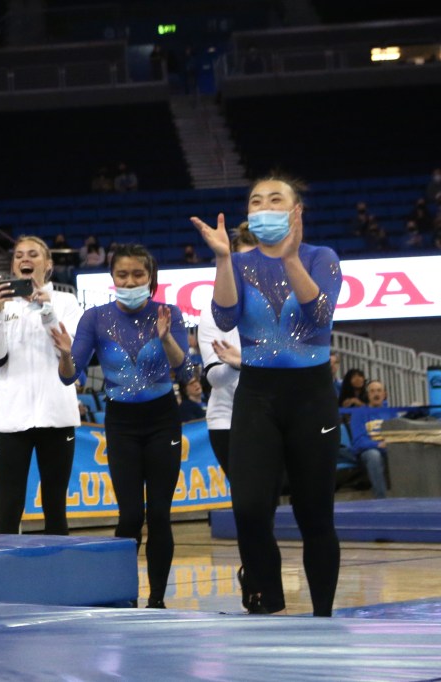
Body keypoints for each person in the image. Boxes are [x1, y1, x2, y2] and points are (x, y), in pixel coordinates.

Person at [193, 173, 342, 617]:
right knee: (251, 507)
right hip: (257, 395)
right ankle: (269, 600)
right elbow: (222, 318)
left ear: (296, 211)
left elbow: (318, 316)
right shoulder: (239, 263)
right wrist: (222, 260)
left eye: (275, 199)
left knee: (314, 513)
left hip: (311, 396)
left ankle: (323, 617)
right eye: (256, 201)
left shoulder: (321, 257)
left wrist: (291, 258)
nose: (263, 207)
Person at [53, 243, 187, 608]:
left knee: (159, 513)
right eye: (123, 275)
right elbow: (69, 377)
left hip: (162, 421)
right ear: (112, 278)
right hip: (122, 424)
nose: (130, 281)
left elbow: (186, 370)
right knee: (130, 514)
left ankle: (157, 599)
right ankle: (123, 594)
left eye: (138, 275)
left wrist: (167, 338)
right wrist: (66, 354)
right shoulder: (95, 318)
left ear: (152, 279)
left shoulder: (169, 313)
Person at [0, 236, 83, 536]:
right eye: (18, 256)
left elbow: (66, 352)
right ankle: (3, 576)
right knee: (10, 504)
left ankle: (61, 577)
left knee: (55, 504)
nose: (24, 260)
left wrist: (46, 309)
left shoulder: (66, 302)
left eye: (33, 254)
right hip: (12, 419)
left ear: (48, 264)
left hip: (56, 416)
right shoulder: (2, 306)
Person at [199, 225, 260, 476]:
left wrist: (244, 360)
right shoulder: (212, 314)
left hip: (279, 417)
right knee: (248, 500)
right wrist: (235, 365)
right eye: (243, 263)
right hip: (228, 421)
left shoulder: (286, 308)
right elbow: (214, 377)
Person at [341, 379, 390, 499]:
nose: (376, 394)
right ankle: (382, 499)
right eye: (372, 391)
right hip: (367, 452)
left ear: (384, 394)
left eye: (379, 390)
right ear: (368, 395)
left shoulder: (391, 413)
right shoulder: (359, 413)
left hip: (389, 449)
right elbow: (358, 442)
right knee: (373, 455)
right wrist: (378, 445)